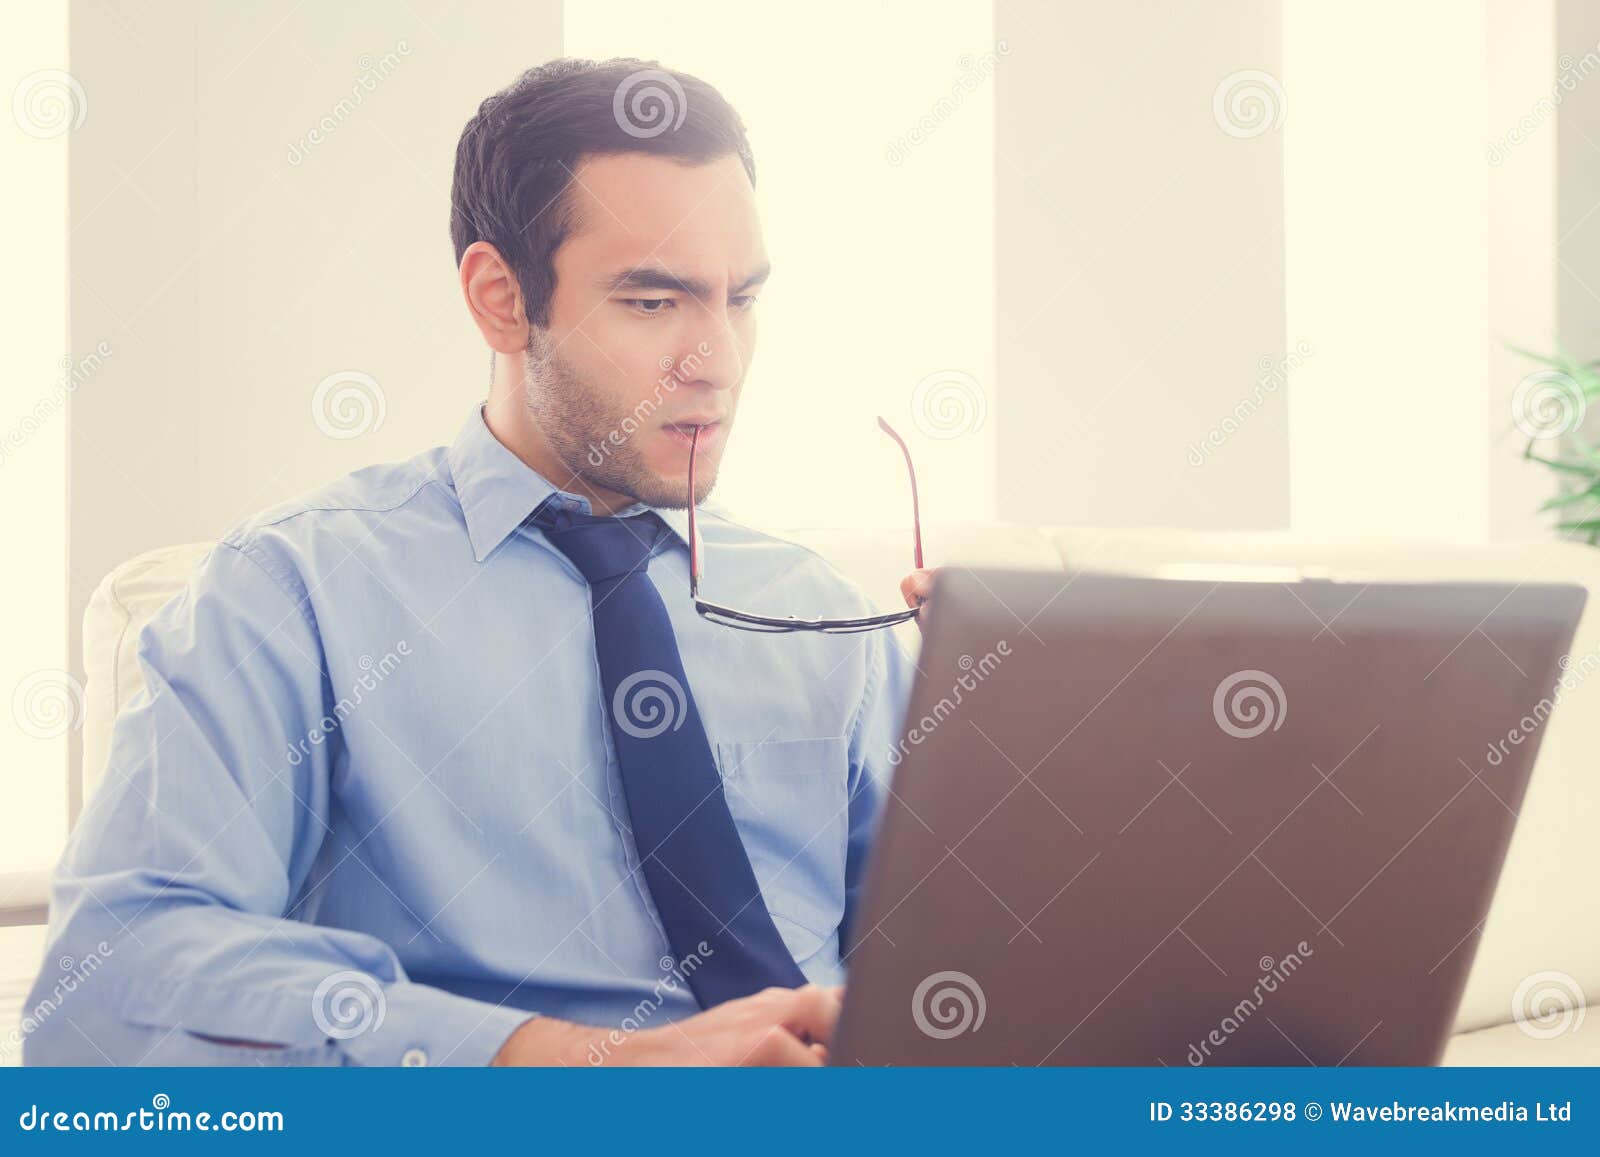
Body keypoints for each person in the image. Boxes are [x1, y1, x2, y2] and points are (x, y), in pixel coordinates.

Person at [24, 57, 931, 1068]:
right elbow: (108, 978)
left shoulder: (830, 621)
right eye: (652, 302)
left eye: (742, 299)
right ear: (502, 300)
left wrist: (1034, 768)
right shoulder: (296, 591)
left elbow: (971, 971)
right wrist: (590, 1066)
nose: (715, 358)